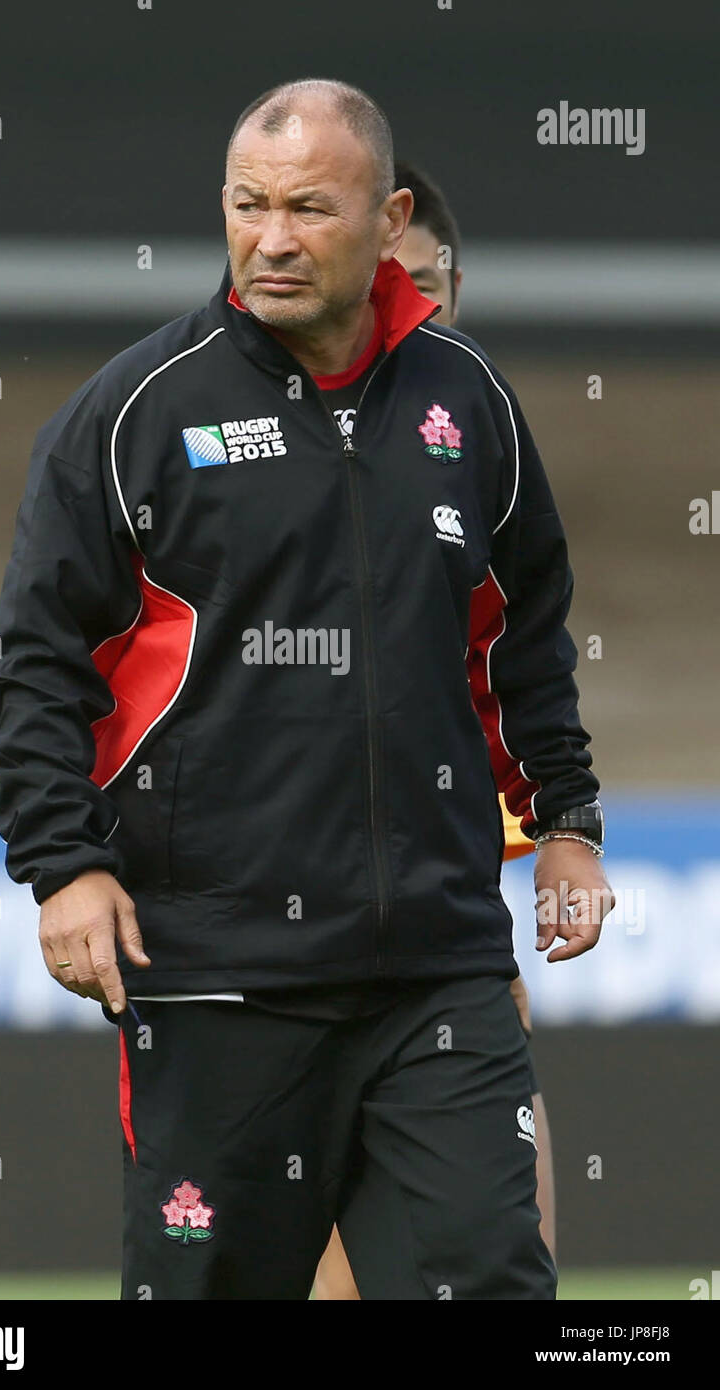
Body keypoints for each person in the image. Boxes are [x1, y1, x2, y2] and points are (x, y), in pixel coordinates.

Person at [0, 78, 613, 1300]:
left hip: (435, 968)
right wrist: (64, 863)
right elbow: (33, 658)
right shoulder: (133, 414)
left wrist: (566, 824)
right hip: (218, 974)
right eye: (247, 205)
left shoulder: (465, 399)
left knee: (492, 1282)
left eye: (309, 208)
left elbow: (522, 637)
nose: (271, 238)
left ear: (391, 219)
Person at [313, 160, 556, 1299]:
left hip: (442, 935)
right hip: (273, 944)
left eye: (419, 283)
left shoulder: (480, 451)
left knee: (499, 1253)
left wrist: (554, 831)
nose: (395, 307)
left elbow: (507, 671)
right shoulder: (227, 435)